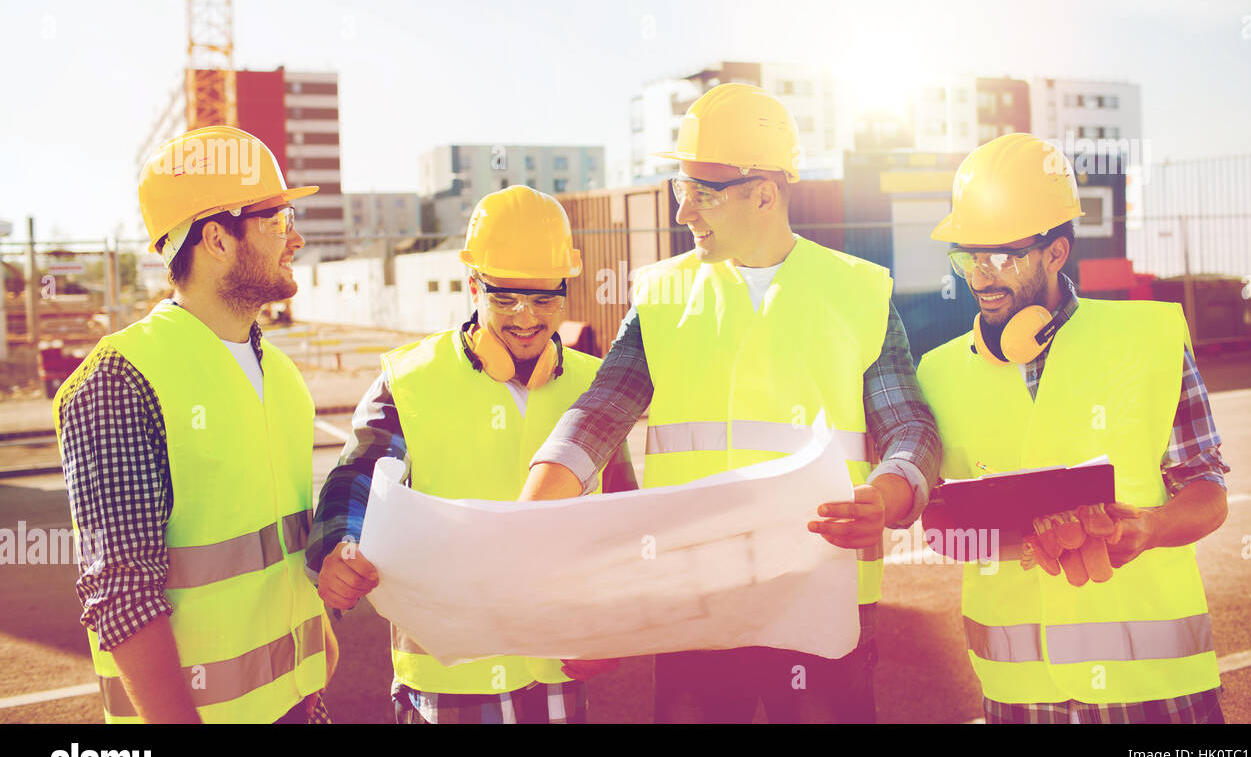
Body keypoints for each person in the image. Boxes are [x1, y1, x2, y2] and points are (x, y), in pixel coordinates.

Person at [519, 82, 941, 723]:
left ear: (766, 194)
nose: (683, 212)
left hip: (820, 603)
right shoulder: (662, 296)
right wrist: (526, 517)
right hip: (699, 604)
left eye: (702, 193)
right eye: (678, 189)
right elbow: (599, 412)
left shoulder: (856, 292)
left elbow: (909, 427)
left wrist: (884, 498)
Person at [915, 132, 1228, 723]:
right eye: (968, 257)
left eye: (1001, 256)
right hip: (1021, 697)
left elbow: (1208, 491)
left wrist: (1152, 528)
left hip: (1156, 692)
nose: (981, 276)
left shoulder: (1149, 341)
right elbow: (942, 524)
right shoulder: (936, 375)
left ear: (1056, 252)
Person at [307, 185, 635, 724]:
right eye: (505, 298)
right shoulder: (411, 382)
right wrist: (337, 548)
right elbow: (354, 481)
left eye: (544, 298)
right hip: (450, 679)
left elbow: (623, 516)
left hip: (556, 670)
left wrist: (614, 619)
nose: (526, 317)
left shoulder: (594, 385)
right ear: (473, 285)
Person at [54, 125, 333, 723]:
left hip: (299, 707)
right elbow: (122, 595)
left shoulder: (280, 375)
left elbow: (283, 546)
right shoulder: (119, 381)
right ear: (216, 238)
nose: (297, 238)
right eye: (278, 220)